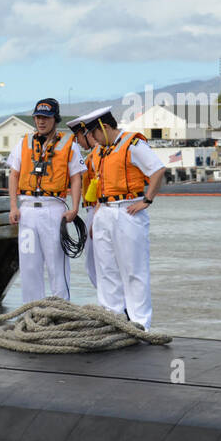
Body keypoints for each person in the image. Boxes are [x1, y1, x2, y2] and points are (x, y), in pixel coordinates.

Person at [85, 109, 166, 329]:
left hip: (128, 210)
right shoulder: (100, 152)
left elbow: (157, 170)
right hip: (105, 211)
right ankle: (111, 318)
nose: (92, 138)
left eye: (94, 132)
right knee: (106, 270)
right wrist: (96, 217)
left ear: (105, 127)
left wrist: (147, 200)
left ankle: (140, 324)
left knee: (134, 270)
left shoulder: (132, 145)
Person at [7, 98, 84, 303]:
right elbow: (14, 175)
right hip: (27, 210)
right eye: (38, 117)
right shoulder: (23, 143)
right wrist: (14, 206)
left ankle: (60, 311)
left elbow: (76, 178)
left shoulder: (70, 146)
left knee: (57, 263)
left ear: (55, 120)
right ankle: (32, 311)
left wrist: (75, 208)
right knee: (29, 264)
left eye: (46, 118)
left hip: (54, 208)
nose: (41, 122)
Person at [66, 110, 103, 289]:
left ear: (86, 134)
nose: (78, 142)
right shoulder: (94, 156)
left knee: (96, 266)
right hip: (94, 210)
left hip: (96, 211)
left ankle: (114, 309)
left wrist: (95, 220)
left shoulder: (97, 156)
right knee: (97, 266)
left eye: (78, 137)